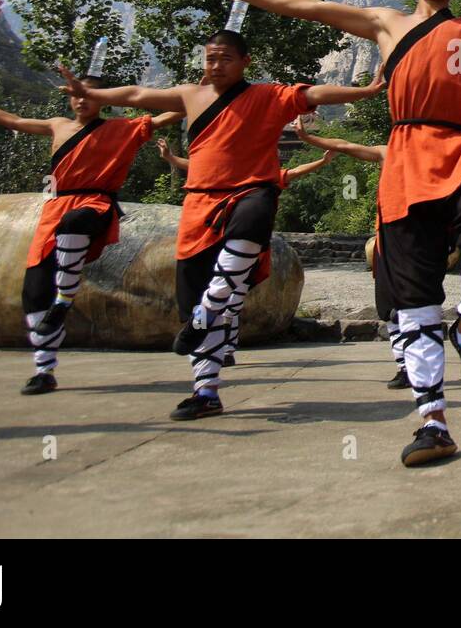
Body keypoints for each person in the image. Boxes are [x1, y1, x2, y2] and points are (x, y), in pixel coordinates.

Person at [209, 0, 461, 467]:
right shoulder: (385, 22)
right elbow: (310, 6)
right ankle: (433, 424)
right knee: (416, 299)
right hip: (408, 157)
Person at [57, 30, 383, 420]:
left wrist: (364, 91)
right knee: (193, 296)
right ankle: (206, 390)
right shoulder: (190, 96)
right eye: (210, 58)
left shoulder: (267, 96)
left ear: (246, 62)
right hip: (199, 202)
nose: (216, 65)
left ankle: (207, 312)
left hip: (250, 191)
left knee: (252, 222)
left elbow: (314, 94)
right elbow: (136, 96)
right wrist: (89, 92)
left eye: (225, 58)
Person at [0, 69, 182, 394]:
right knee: (33, 294)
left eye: (89, 95)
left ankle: (64, 297)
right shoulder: (57, 126)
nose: (80, 100)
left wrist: (202, 91)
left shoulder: (122, 128)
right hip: (55, 210)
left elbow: (170, 115)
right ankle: (44, 370)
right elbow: (13, 121)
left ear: (102, 100)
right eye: (76, 94)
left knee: (74, 222)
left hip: (95, 206)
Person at [158, 136, 335, 367]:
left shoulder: (261, 180)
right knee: (201, 305)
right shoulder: (220, 172)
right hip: (205, 245)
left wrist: (321, 162)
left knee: (229, 304)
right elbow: (196, 166)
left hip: (242, 250)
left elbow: (292, 172)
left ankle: (226, 349)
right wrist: (170, 158)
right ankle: (202, 340)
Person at [290, 122, 411, 390]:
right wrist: (308, 136)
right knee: (387, 308)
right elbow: (344, 145)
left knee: (415, 307)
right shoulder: (385, 152)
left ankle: (424, 362)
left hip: (417, 238)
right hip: (388, 239)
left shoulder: (429, 155)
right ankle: (404, 366)